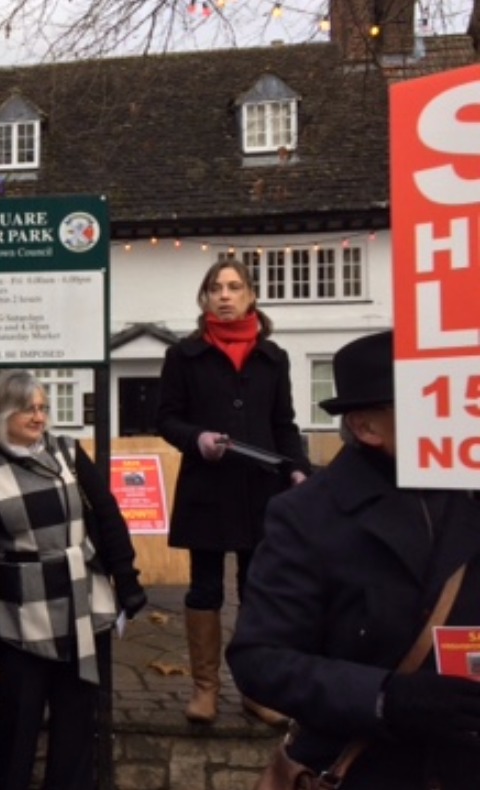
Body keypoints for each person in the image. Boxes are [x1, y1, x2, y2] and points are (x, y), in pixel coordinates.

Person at [228, 330, 480, 788]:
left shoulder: (470, 494)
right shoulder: (308, 514)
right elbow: (260, 659)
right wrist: (385, 698)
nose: (457, 416)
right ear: (367, 427)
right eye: (432, 403)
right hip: (366, 769)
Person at [0, 370, 147, 789]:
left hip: (82, 602)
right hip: (22, 610)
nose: (39, 417)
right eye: (27, 409)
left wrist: (127, 579)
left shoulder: (67, 451)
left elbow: (106, 514)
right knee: (18, 721)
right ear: (0, 413)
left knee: (76, 720)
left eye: (42, 408)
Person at [156, 258, 310, 726]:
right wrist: (197, 438)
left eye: (234, 286)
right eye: (216, 288)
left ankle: (255, 689)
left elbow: (283, 423)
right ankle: (205, 689)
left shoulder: (273, 357)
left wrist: (297, 469)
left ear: (250, 296)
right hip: (207, 488)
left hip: (262, 490)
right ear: (205, 297)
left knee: (255, 590)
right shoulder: (184, 356)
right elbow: (167, 419)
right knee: (205, 588)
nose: (224, 295)